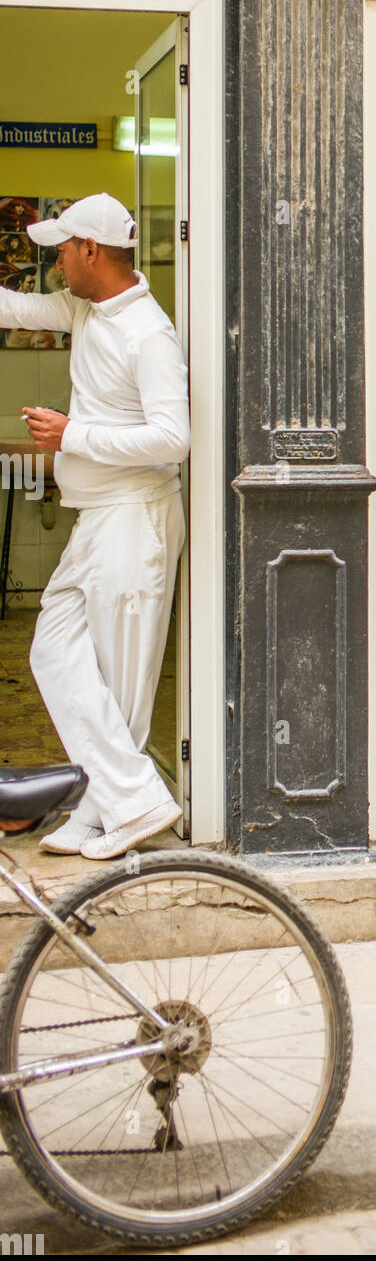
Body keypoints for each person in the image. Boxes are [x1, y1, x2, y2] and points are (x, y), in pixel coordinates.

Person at [0, 193, 189, 860]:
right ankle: (115, 796)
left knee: (121, 679)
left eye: (61, 249)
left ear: (90, 251)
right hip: (96, 521)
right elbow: (14, 308)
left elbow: (174, 439)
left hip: (135, 519)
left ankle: (123, 809)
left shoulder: (149, 334)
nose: (55, 262)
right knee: (54, 648)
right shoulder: (85, 307)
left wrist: (73, 433)